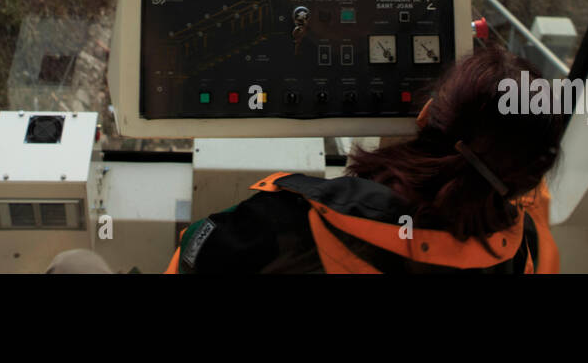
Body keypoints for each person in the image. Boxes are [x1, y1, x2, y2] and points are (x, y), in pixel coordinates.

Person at [165, 44, 565, 273]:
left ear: (425, 116)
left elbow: (189, 261)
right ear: (527, 179)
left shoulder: (285, 219)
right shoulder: (534, 254)